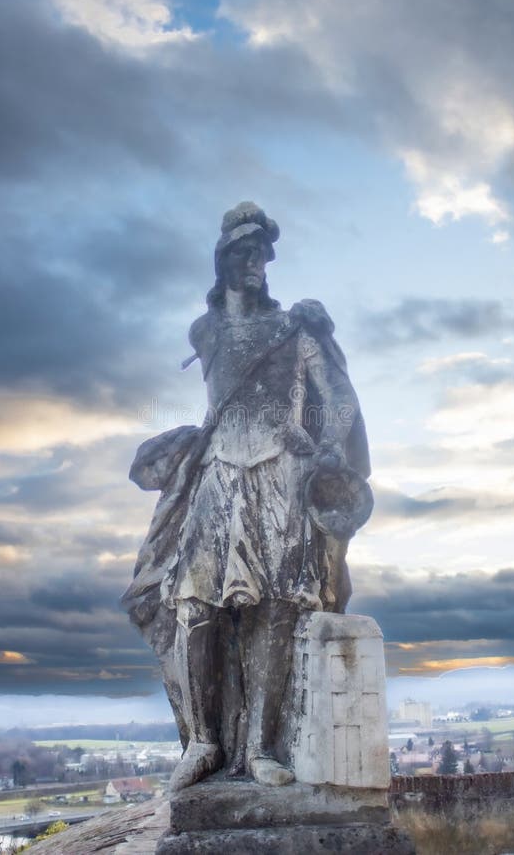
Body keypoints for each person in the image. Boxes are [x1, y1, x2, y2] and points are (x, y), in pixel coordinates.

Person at [123, 202, 371, 792]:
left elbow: (338, 398)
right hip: (218, 472)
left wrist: (332, 446)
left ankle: (261, 748)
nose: (255, 262)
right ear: (224, 260)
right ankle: (206, 742)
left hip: (283, 473)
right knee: (195, 604)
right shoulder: (204, 330)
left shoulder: (297, 328)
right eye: (243, 252)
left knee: (277, 609)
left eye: (262, 253)